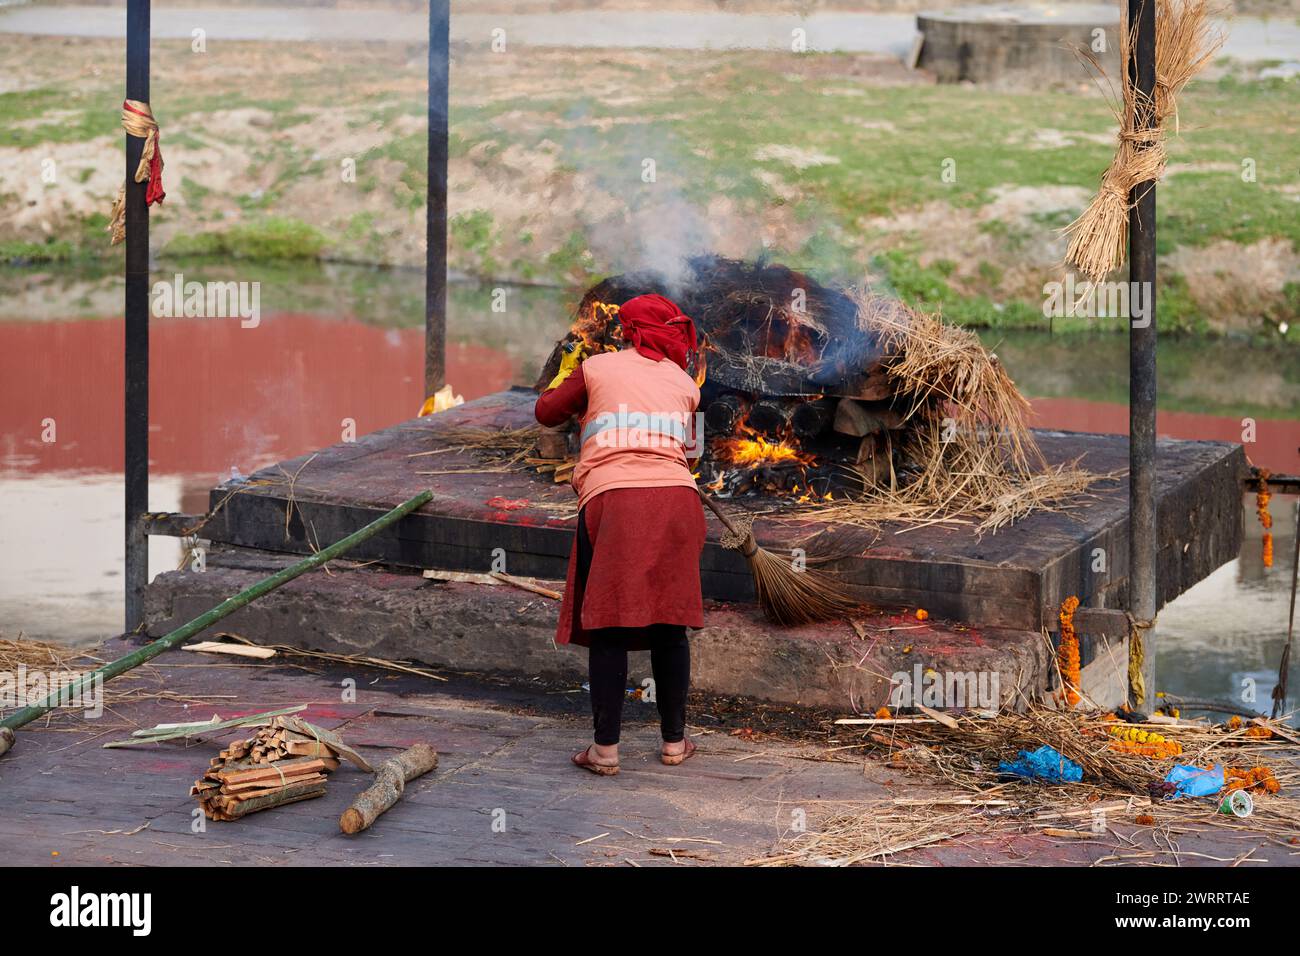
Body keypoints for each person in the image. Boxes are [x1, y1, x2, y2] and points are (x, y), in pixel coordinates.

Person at [534, 293, 705, 775]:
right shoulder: (685, 381)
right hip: (678, 499)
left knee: (609, 622)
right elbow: (687, 452)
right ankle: (674, 744)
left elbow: (546, 412)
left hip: (615, 501)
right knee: (670, 625)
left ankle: (605, 751)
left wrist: (573, 374)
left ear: (628, 330)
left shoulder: (597, 367)